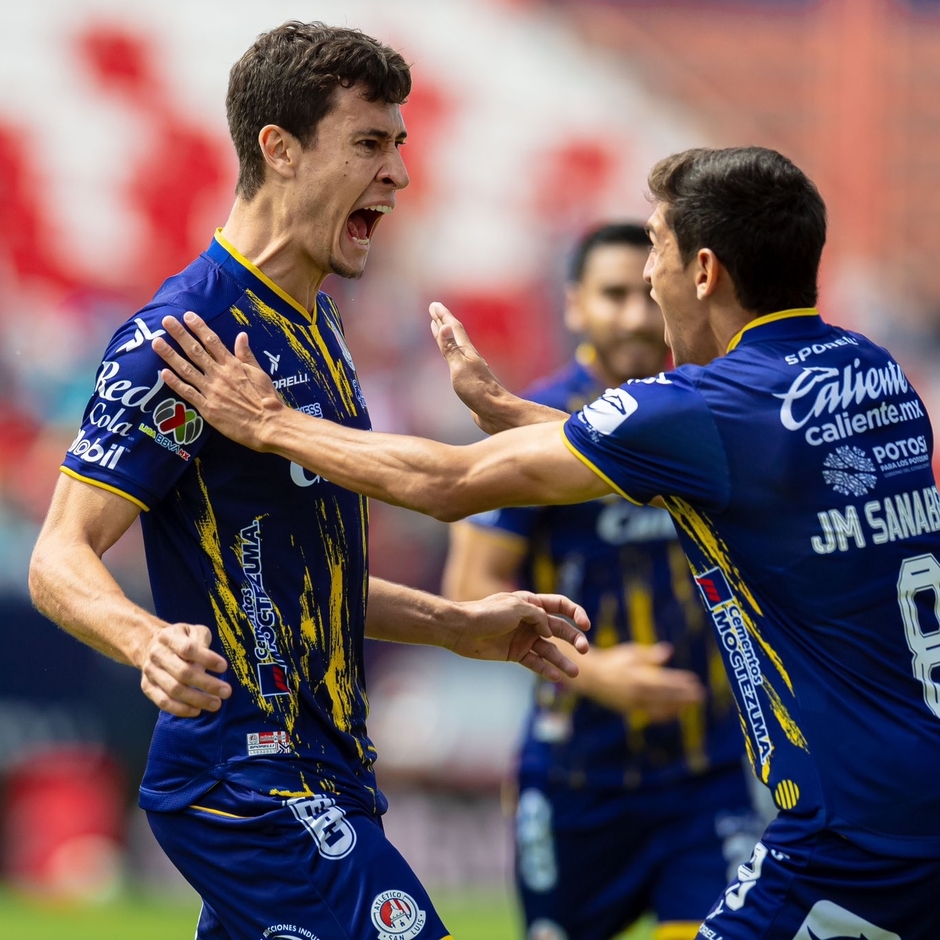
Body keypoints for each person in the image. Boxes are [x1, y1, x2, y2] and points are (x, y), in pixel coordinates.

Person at [152, 145, 940, 939]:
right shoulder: (871, 371)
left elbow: (448, 486)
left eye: (657, 254)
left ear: (704, 272)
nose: (648, 284)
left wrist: (271, 424)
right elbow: (690, 451)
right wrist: (506, 408)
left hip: (853, 834)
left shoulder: (710, 406)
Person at [27, 21, 592, 940]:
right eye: (369, 143)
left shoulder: (315, 326)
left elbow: (296, 573)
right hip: (247, 776)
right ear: (279, 150)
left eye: (399, 145)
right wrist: (145, 641)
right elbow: (58, 554)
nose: (399, 175)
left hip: (325, 764)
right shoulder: (182, 342)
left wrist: (456, 624)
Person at [440, 221, 760, 940]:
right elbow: (469, 592)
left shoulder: (711, 413)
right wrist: (597, 675)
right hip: (575, 783)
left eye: (646, 293)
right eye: (612, 295)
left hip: (705, 779)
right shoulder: (523, 434)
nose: (635, 315)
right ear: (574, 306)